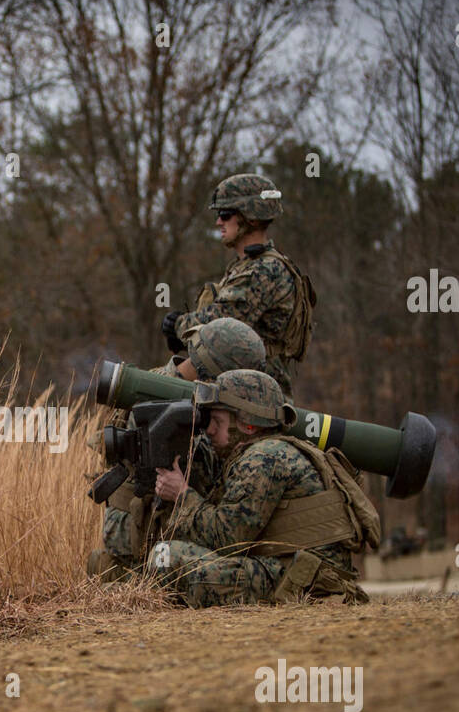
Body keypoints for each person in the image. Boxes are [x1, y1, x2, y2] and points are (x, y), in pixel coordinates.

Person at [146, 369, 380, 606]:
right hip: (300, 572)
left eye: (218, 421)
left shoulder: (264, 457)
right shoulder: (272, 451)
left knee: (165, 556)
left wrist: (182, 495)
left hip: (302, 581)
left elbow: (227, 539)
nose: (210, 430)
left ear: (247, 425)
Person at [87, 318, 268, 581]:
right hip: (145, 544)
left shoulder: (155, 382)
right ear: (219, 373)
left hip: (139, 534)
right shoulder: (166, 402)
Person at [161, 174, 316, 400]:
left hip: (255, 393)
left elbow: (221, 326)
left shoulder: (265, 271)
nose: (218, 222)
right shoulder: (246, 266)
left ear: (251, 218)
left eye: (225, 215)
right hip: (235, 384)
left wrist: (178, 325)